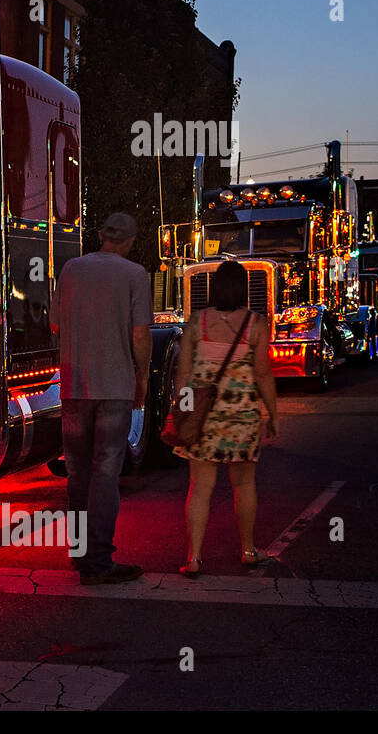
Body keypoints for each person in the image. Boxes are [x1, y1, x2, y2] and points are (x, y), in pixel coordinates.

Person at [51, 212, 152, 584]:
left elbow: (55, 323)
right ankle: (99, 561)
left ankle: (79, 554)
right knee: (105, 474)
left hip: (74, 387)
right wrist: (141, 379)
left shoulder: (71, 270)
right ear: (130, 240)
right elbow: (141, 335)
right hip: (114, 387)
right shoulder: (135, 275)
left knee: (77, 475)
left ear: (100, 236)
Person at [172, 259, 278, 576]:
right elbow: (262, 374)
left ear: (214, 288)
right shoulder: (256, 325)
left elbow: (184, 375)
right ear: (244, 289)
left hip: (203, 419)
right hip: (242, 417)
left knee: (200, 486)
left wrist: (183, 411)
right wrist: (272, 413)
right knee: (244, 485)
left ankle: (193, 557)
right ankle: (248, 550)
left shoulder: (197, 323)